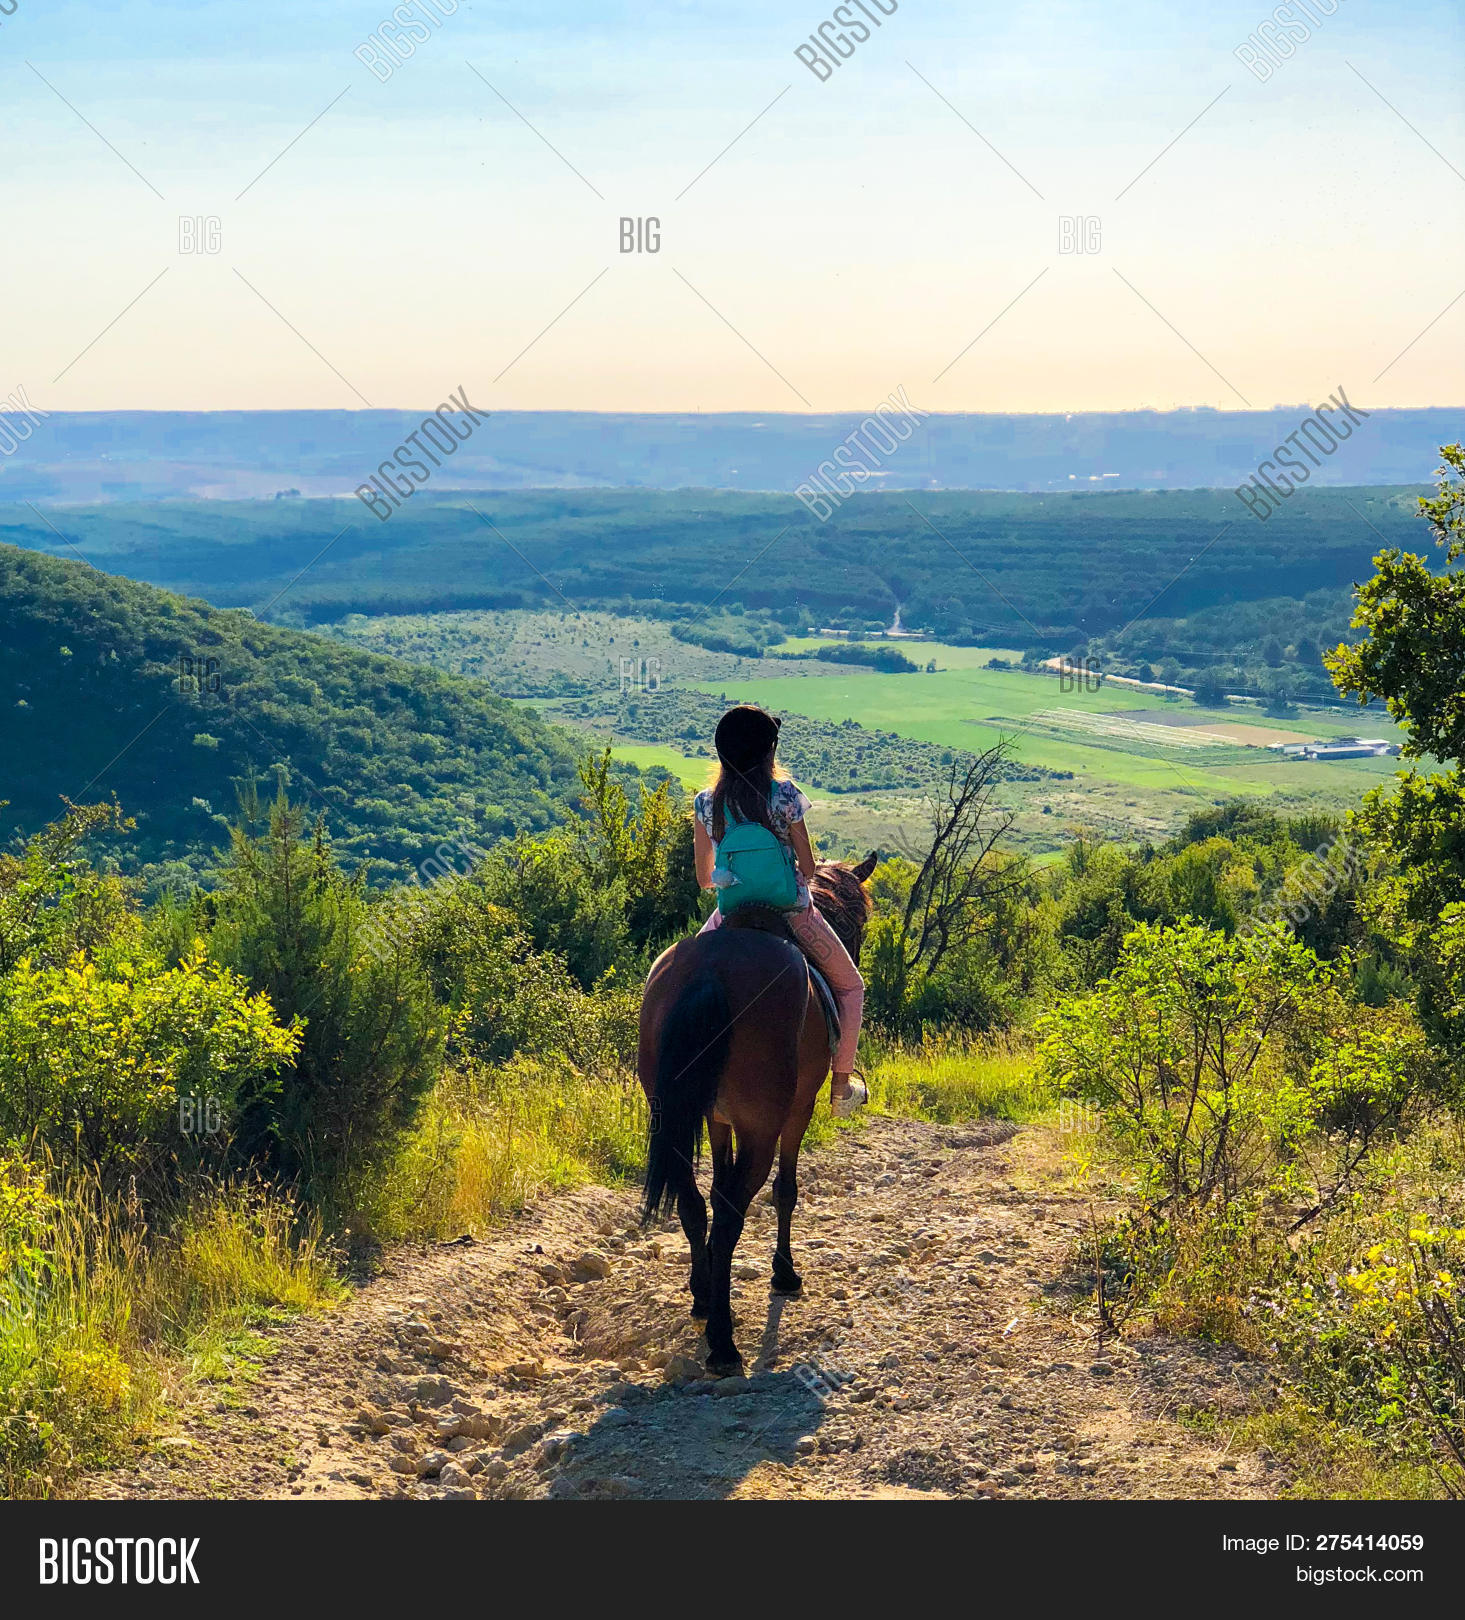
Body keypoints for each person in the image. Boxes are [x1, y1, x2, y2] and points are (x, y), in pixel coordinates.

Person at [691, 704, 867, 1116]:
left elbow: (703, 879)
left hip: (729, 913)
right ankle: (841, 1086)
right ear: (769, 751)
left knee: (685, 981)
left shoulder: (705, 803)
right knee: (851, 987)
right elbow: (808, 869)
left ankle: (688, 1071)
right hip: (792, 912)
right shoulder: (785, 796)